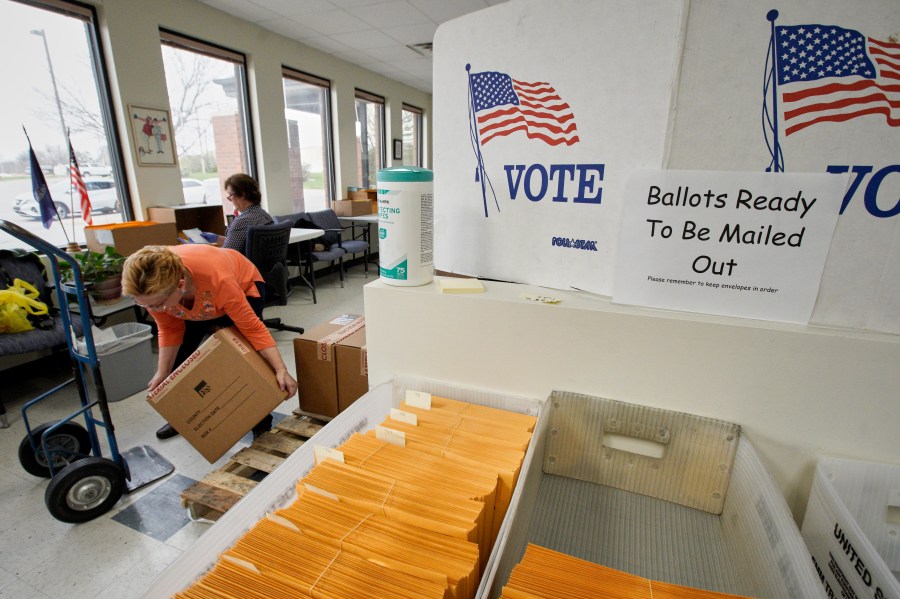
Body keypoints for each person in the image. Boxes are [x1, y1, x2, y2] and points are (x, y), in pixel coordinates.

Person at [122, 244, 298, 440]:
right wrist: (163, 373)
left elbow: (253, 329)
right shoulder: (156, 289)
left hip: (241, 286)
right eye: (144, 304)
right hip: (197, 302)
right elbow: (170, 330)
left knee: (243, 360)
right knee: (177, 366)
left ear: (180, 286)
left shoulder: (218, 281)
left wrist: (281, 369)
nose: (153, 309)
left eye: (156, 305)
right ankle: (184, 418)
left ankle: (261, 424)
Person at [195, 173, 274, 252]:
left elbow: (227, 255)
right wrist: (217, 238)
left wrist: (205, 248)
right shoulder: (264, 215)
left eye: (230, 195)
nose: (230, 200)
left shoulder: (242, 221)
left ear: (242, 195)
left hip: (242, 263)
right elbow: (243, 243)